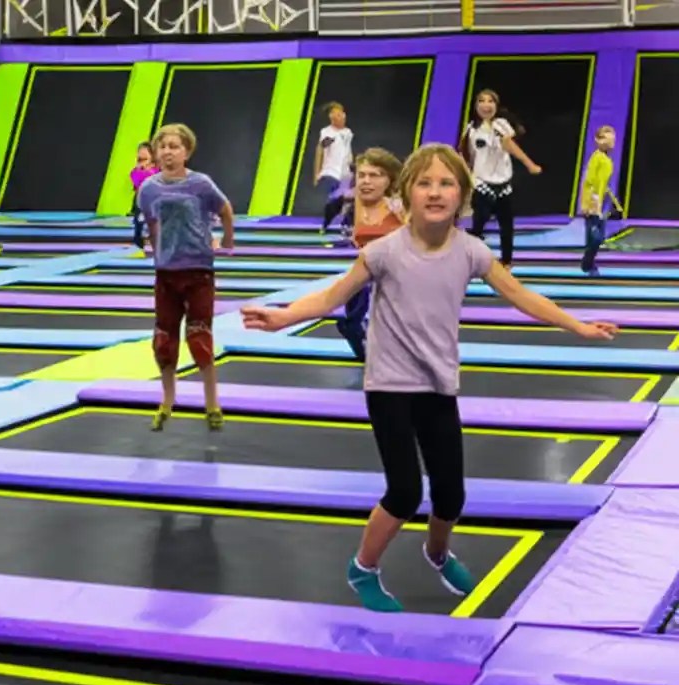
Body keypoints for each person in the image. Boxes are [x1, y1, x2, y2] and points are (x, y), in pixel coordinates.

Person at [240, 143, 617, 612]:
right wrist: (283, 315)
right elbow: (332, 295)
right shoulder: (383, 252)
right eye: (424, 183)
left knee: (451, 494)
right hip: (389, 386)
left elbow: (521, 296)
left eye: (446, 184)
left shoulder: (471, 251)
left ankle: (437, 552)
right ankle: (363, 568)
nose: (435, 192)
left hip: (438, 385)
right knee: (404, 492)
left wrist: (577, 325)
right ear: (406, 194)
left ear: (462, 197)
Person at [137, 123, 235, 432]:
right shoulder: (148, 189)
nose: (168, 152)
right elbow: (152, 223)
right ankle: (167, 400)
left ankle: (212, 403)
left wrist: (227, 240)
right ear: (156, 152)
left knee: (199, 338)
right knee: (164, 341)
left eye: (175, 146)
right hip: (166, 274)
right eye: (163, 146)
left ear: (187, 152)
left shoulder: (201, 184)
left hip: (198, 271)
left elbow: (225, 209)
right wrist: (157, 254)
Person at [458, 89, 542, 267]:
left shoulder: (501, 125)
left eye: (490, 101)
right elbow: (466, 155)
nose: (486, 105)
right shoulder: (471, 129)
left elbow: (510, 146)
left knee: (506, 226)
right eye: (481, 101)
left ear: (496, 105)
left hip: (503, 184)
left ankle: (506, 262)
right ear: (476, 106)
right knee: (478, 224)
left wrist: (529, 164)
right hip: (482, 183)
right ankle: (469, 260)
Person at [335, 148, 405, 361]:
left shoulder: (399, 205)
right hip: (367, 269)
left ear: (389, 179)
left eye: (374, 175)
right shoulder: (360, 200)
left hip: (398, 276)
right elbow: (360, 235)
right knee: (353, 310)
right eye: (362, 175)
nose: (366, 181)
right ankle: (360, 339)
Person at [580, 125, 624, 276]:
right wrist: (589, 203)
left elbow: (604, 185)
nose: (610, 142)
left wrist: (613, 202)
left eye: (612, 140)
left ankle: (589, 264)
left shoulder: (607, 160)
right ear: (597, 140)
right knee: (595, 237)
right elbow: (589, 182)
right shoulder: (597, 158)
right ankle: (587, 265)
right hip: (592, 203)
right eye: (606, 139)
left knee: (599, 237)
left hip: (601, 203)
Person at [314, 102, 353, 234]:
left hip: (345, 172)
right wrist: (317, 172)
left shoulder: (347, 132)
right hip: (331, 171)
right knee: (334, 198)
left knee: (346, 200)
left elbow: (348, 150)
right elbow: (321, 149)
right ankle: (326, 224)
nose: (341, 116)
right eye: (337, 114)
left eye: (342, 114)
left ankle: (344, 224)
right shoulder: (327, 133)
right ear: (331, 116)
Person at [130, 141, 160, 251]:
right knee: (139, 225)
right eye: (139, 158)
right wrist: (139, 170)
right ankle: (139, 243)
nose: (142, 161)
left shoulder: (156, 171)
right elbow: (135, 180)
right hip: (141, 203)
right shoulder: (136, 171)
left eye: (145, 158)